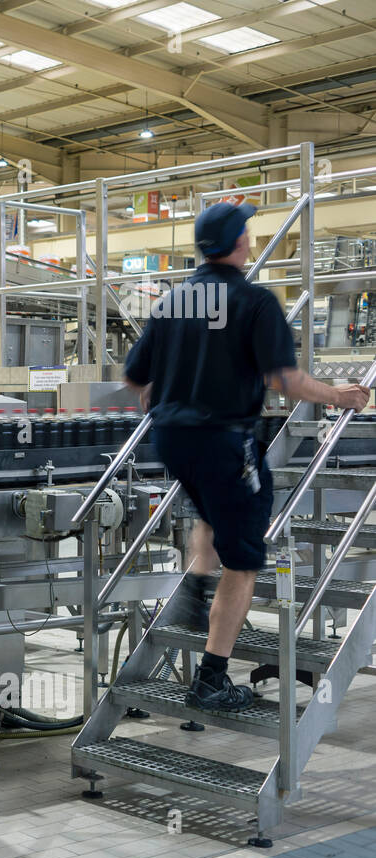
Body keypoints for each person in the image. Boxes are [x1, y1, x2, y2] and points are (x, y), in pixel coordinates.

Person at [123, 201, 369, 712]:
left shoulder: (172, 303)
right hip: (224, 442)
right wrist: (342, 396)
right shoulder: (256, 301)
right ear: (241, 243)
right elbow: (286, 379)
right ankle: (211, 678)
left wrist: (164, 391)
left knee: (213, 514)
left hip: (171, 438)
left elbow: (134, 375)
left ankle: (193, 591)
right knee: (246, 557)